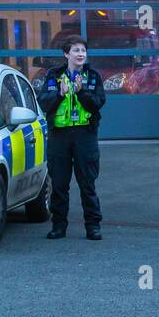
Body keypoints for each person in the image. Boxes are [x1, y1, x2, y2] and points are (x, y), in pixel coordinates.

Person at [35, 35, 105, 240]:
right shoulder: (53, 76)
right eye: (76, 50)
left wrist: (81, 93)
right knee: (59, 184)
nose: (81, 54)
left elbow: (98, 103)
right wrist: (59, 94)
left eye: (83, 50)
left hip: (85, 135)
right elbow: (44, 103)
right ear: (66, 54)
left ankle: (93, 226)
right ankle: (58, 226)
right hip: (60, 135)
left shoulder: (92, 76)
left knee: (87, 183)